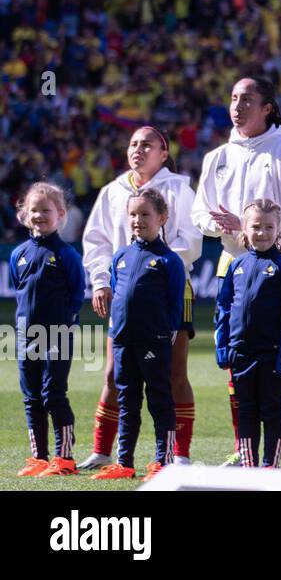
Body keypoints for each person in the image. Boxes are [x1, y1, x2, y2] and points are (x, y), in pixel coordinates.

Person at [192, 77, 281, 471]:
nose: (238, 106)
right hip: (233, 264)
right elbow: (199, 214)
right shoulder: (217, 157)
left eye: (247, 99)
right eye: (233, 98)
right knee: (238, 362)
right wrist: (226, 229)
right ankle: (242, 449)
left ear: (267, 108)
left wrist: (251, 226)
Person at [81, 126, 201, 471]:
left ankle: (179, 454)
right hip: (125, 296)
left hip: (169, 292)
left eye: (147, 144)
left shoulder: (178, 188)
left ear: (164, 153)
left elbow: (190, 241)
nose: (138, 149)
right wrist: (102, 280)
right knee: (113, 374)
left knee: (174, 375)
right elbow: (97, 241)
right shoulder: (112, 191)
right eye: (133, 143)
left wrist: (150, 268)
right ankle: (105, 451)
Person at [93, 188, 187, 481]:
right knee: (127, 401)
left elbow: (175, 305)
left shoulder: (170, 260)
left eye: (145, 214)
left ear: (162, 218)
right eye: (133, 214)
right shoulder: (120, 255)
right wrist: (115, 329)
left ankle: (164, 461)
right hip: (123, 341)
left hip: (154, 342)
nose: (138, 220)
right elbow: (119, 295)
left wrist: (164, 337)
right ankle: (125, 462)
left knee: (160, 400)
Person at [214, 199, 281, 469]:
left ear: (279, 230)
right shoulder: (237, 265)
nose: (262, 232)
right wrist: (223, 347)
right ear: (244, 227)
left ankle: (270, 468)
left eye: (269, 227)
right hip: (241, 354)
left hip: (273, 356)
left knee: (273, 411)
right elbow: (224, 307)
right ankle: (249, 468)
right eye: (256, 226)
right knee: (246, 411)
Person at [11, 183, 84, 478]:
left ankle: (64, 458)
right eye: (34, 210)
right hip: (25, 335)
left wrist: (63, 327)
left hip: (57, 335)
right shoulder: (19, 254)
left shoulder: (66, 255)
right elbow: (20, 287)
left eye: (46, 210)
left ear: (60, 214)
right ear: (24, 214)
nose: (39, 215)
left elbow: (77, 293)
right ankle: (38, 458)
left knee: (53, 393)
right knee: (31, 396)